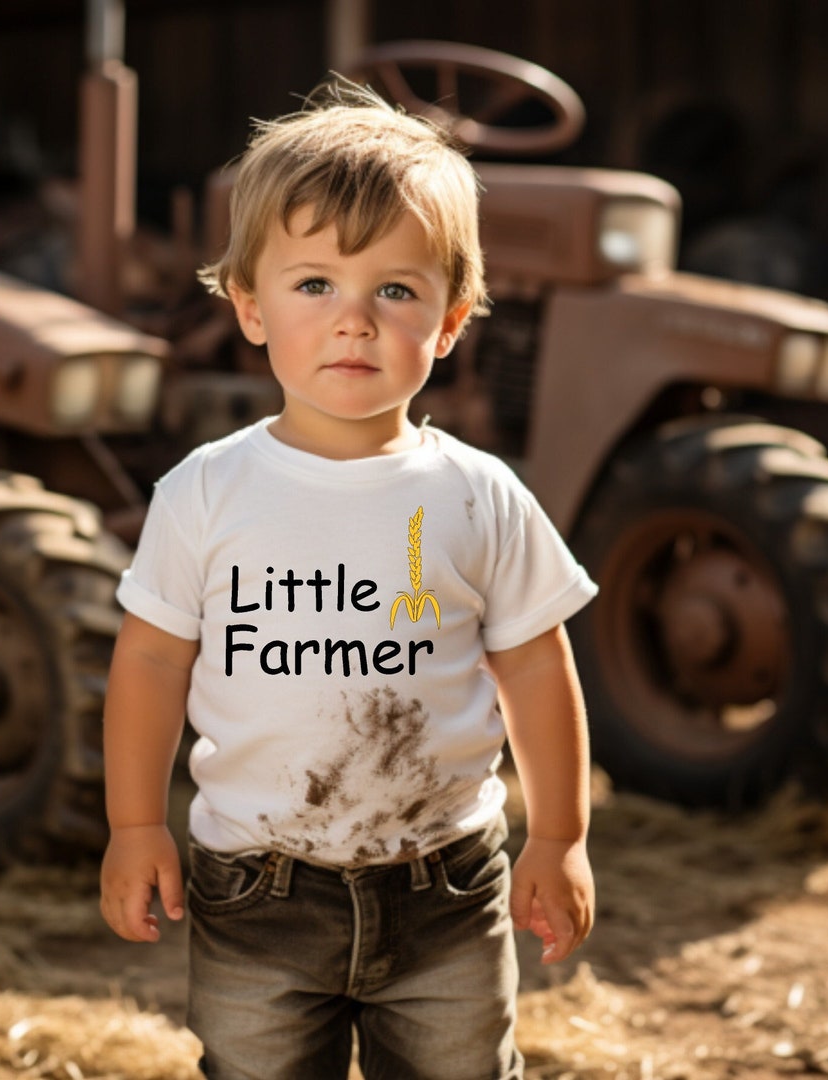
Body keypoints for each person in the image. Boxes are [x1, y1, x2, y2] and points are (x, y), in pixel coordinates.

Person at [99, 76, 597, 1080]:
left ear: (452, 322)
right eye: (315, 283)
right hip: (256, 891)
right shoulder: (206, 490)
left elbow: (538, 670)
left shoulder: (478, 495)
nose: (355, 320)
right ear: (249, 305)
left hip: (447, 888)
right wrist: (134, 822)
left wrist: (561, 836)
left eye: (396, 291)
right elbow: (151, 663)